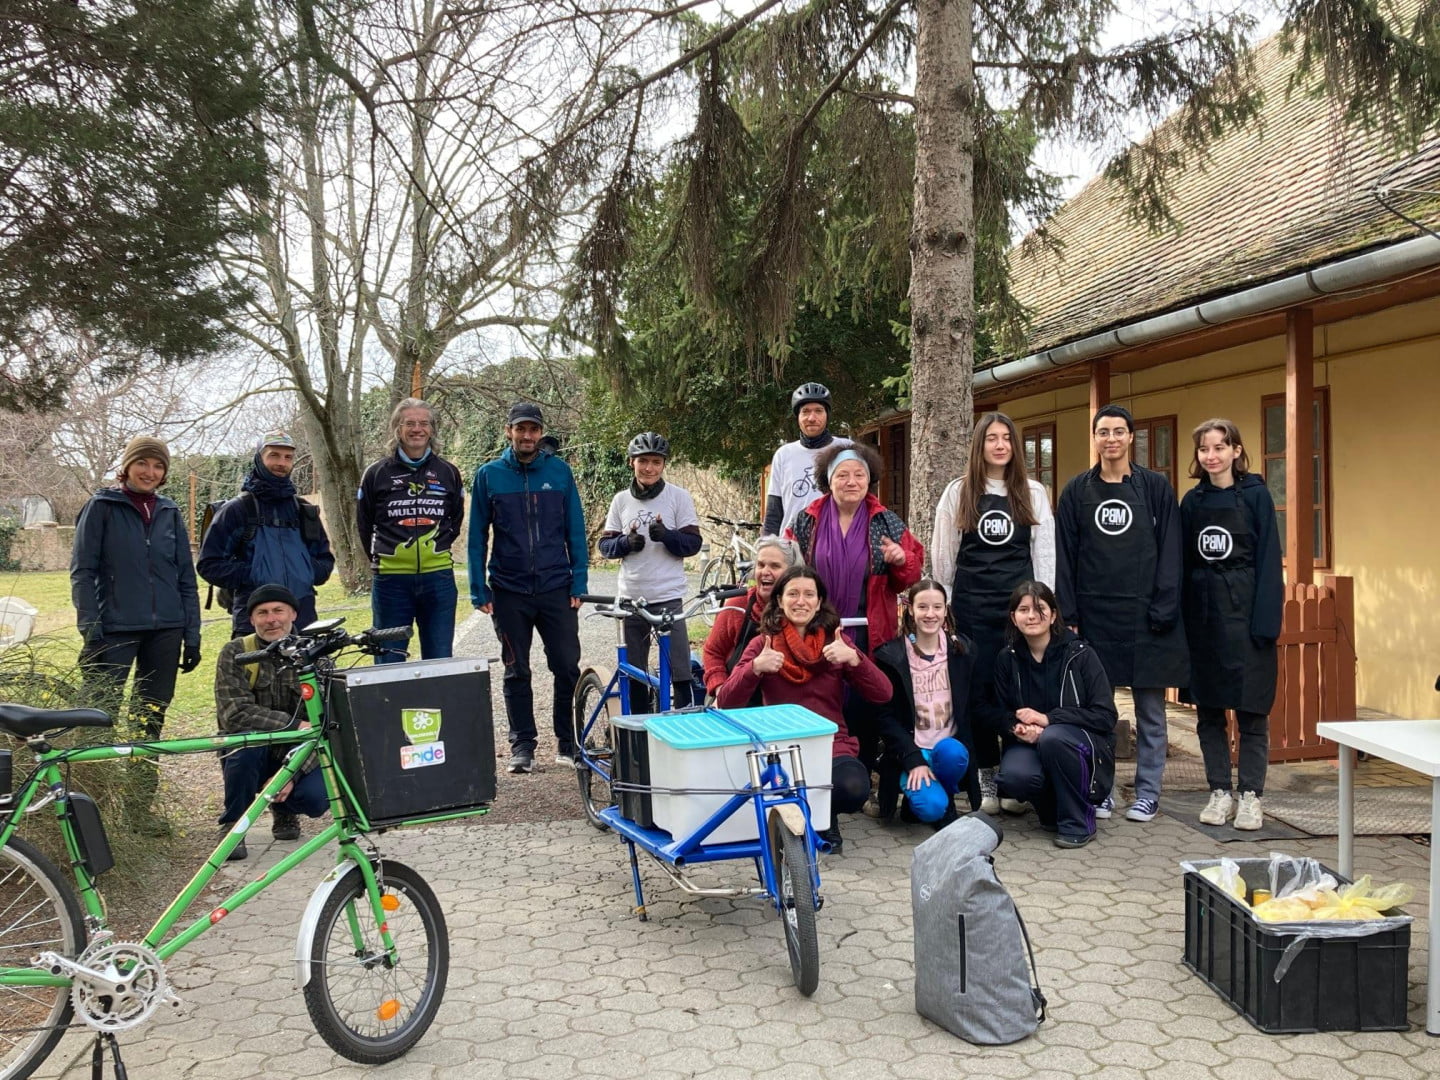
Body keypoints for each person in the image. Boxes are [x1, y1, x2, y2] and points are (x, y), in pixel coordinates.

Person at [1055, 404, 1187, 824]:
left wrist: (1165, 605)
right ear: (1094, 439)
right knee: (1100, 710)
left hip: (1148, 614)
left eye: (1118, 432)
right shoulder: (1076, 491)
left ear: (1131, 437)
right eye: (1103, 432)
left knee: (1151, 711)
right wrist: (1069, 612)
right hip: (1096, 614)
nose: (1110, 439)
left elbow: (1171, 549)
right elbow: (1065, 555)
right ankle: (1103, 789)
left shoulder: (1155, 488)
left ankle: (1148, 792)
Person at [71, 436, 202, 824]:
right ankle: (88, 811)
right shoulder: (101, 508)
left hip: (166, 630)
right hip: (113, 629)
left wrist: (191, 635)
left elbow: (185, 578)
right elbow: (83, 571)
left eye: (158, 466)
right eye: (143, 464)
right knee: (99, 717)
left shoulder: (169, 511)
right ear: (127, 467)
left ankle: (137, 810)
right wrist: (90, 627)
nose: (150, 472)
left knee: (149, 718)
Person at [717, 567, 892, 853]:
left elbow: (884, 693)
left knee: (853, 787)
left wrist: (855, 659)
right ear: (780, 601)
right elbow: (726, 701)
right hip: (779, 748)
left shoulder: (836, 643)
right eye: (793, 594)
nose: (801, 601)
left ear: (819, 602)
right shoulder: (763, 643)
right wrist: (754, 669)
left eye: (809, 594)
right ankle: (800, 822)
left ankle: (821, 819)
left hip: (830, 746)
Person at [931, 411, 1054, 814]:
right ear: (979, 445)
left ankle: (1017, 776)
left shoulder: (1032, 492)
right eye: (991, 438)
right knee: (977, 692)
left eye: (1006, 438)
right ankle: (984, 772)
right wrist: (946, 604)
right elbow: (944, 554)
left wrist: (1042, 603)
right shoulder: (959, 491)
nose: (1000, 445)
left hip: (1017, 611)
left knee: (1016, 689)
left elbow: (1043, 553)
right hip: (971, 607)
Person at [469, 402, 588, 773]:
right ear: (509, 431)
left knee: (567, 666)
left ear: (540, 433)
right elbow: (476, 537)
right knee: (516, 669)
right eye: (520, 429)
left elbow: (575, 530)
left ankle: (568, 741)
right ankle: (523, 745)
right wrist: (479, 588)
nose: (527, 436)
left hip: (556, 586)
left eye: (533, 429)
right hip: (508, 589)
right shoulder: (489, 475)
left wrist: (579, 579)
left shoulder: (559, 472)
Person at [787, 440, 923, 766]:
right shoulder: (807, 519)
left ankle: (861, 771)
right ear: (829, 480)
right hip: (816, 627)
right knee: (820, 695)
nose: (851, 482)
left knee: (866, 700)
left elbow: (909, 577)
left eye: (859, 475)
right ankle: (819, 764)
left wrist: (900, 559)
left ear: (869, 479)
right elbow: (790, 572)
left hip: (869, 631)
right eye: (843, 475)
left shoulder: (885, 522)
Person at [1181, 419, 1283, 832]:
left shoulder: (1257, 497)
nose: (1212, 455)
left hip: (1247, 616)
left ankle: (1252, 795)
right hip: (1204, 618)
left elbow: (1268, 561)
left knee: (1252, 713)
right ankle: (1219, 791)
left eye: (1220, 447)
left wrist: (1265, 623)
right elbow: (1184, 561)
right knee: (1209, 712)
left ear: (1236, 451)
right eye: (1205, 449)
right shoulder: (1191, 502)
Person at [986, 581, 1118, 849]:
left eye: (1040, 608)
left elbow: (1105, 716)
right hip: (1031, 744)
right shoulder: (1007, 658)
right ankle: (1051, 809)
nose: (1032, 616)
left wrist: (1048, 721)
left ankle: (1080, 821)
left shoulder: (1081, 655)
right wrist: (1017, 729)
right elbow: (997, 712)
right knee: (1014, 777)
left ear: (1054, 614)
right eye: (1023, 609)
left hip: (1082, 746)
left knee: (1054, 738)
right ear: (1013, 617)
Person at [213, 585, 329, 861]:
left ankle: (285, 811)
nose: (271, 619)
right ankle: (233, 826)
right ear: (252, 620)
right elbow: (235, 713)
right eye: (262, 613)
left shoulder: (316, 654)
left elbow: (328, 722)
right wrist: (293, 725)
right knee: (245, 748)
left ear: (293, 614)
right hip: (253, 745)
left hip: (299, 751)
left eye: (278, 611)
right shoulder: (235, 652)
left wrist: (292, 774)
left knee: (316, 799)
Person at [596, 433, 703, 711]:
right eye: (643, 461)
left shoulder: (678, 498)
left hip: (667, 596)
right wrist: (625, 543)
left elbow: (693, 544)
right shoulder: (621, 501)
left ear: (663, 464)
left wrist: (667, 536)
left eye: (656, 462)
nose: (649, 468)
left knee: (680, 671)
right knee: (634, 672)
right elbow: (605, 546)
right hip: (631, 597)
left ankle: (681, 724)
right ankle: (640, 734)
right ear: (632, 462)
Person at [356, 398, 466, 662]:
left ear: (432, 429)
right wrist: (381, 560)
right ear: (397, 428)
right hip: (391, 582)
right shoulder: (375, 473)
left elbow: (455, 520)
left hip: (438, 578)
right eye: (410, 423)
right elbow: (363, 524)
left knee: (439, 661)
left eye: (424, 423)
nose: (417, 429)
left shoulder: (448, 472)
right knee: (389, 661)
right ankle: (391, 706)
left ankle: (437, 704)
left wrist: (437, 549)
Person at [198, 431, 334, 637]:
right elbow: (209, 564)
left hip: (302, 615)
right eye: (274, 455)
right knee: (253, 670)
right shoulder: (237, 509)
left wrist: (303, 571)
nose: (281, 462)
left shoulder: (303, 510)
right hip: (253, 617)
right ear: (259, 459)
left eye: (288, 457)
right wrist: (255, 574)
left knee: (306, 671)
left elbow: (324, 561)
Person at [873, 580, 977, 826]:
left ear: (945, 610)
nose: (930, 614)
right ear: (911, 609)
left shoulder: (963, 651)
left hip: (947, 747)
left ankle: (947, 797)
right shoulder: (891, 656)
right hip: (911, 748)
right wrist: (913, 759)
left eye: (937, 607)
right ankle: (920, 801)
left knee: (953, 753)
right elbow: (884, 718)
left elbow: (972, 707)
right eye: (923, 607)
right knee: (930, 808)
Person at [701, 536, 803, 703]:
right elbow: (712, 652)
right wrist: (720, 689)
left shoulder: (800, 611)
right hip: (734, 704)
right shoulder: (736, 606)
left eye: (775, 566)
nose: (765, 571)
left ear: (791, 573)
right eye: (761, 565)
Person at [763, 382, 852, 536]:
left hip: (838, 545)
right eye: (805, 411)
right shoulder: (784, 454)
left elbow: (865, 501)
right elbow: (774, 512)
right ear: (798, 416)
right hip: (792, 547)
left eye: (818, 411)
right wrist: (767, 547)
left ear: (827, 414)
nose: (812, 417)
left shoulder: (846, 449)